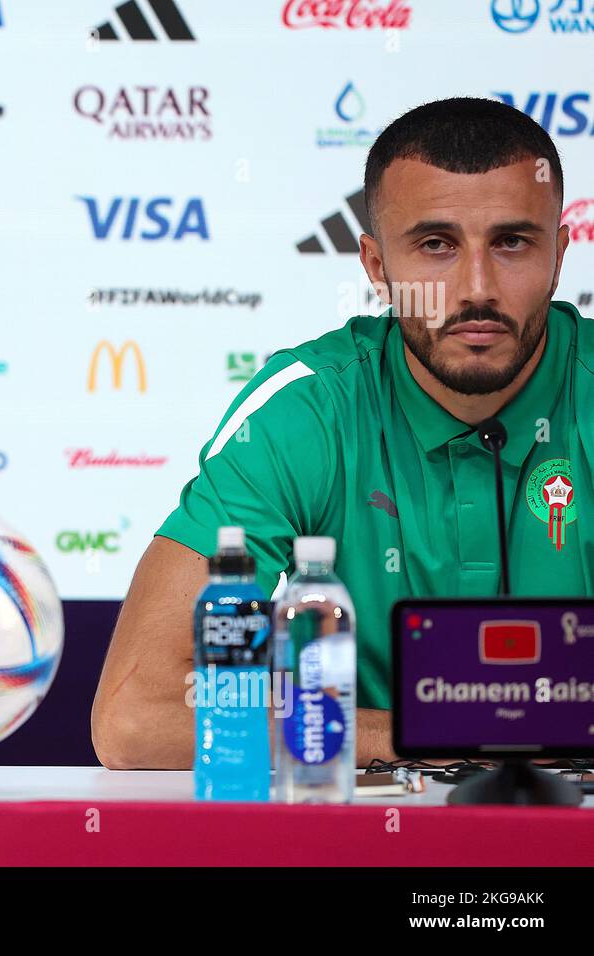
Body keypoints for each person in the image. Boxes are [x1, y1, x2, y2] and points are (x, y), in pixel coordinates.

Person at [93, 96, 584, 769]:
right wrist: (419, 733)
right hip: (375, 818)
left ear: (560, 252)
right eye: (436, 245)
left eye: (512, 242)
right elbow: (134, 717)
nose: (476, 288)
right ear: (377, 268)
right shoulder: (306, 411)